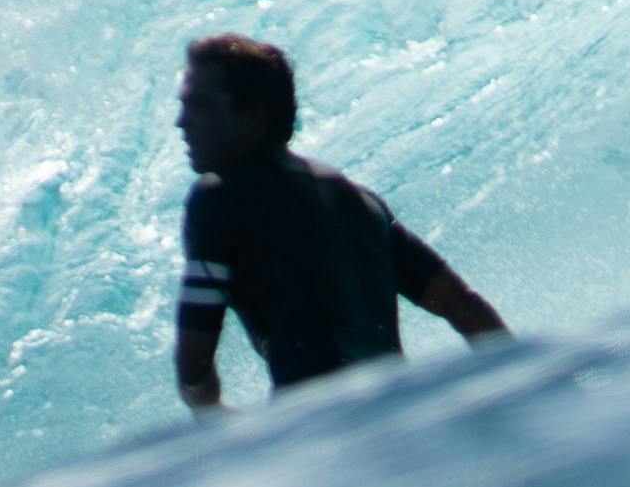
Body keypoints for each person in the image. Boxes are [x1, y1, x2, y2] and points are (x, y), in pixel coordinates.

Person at [170, 32, 508, 413]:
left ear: (252, 115)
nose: (182, 122)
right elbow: (464, 307)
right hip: (403, 418)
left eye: (199, 105)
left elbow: (194, 369)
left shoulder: (217, 198)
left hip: (325, 431)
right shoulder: (358, 201)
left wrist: (214, 420)